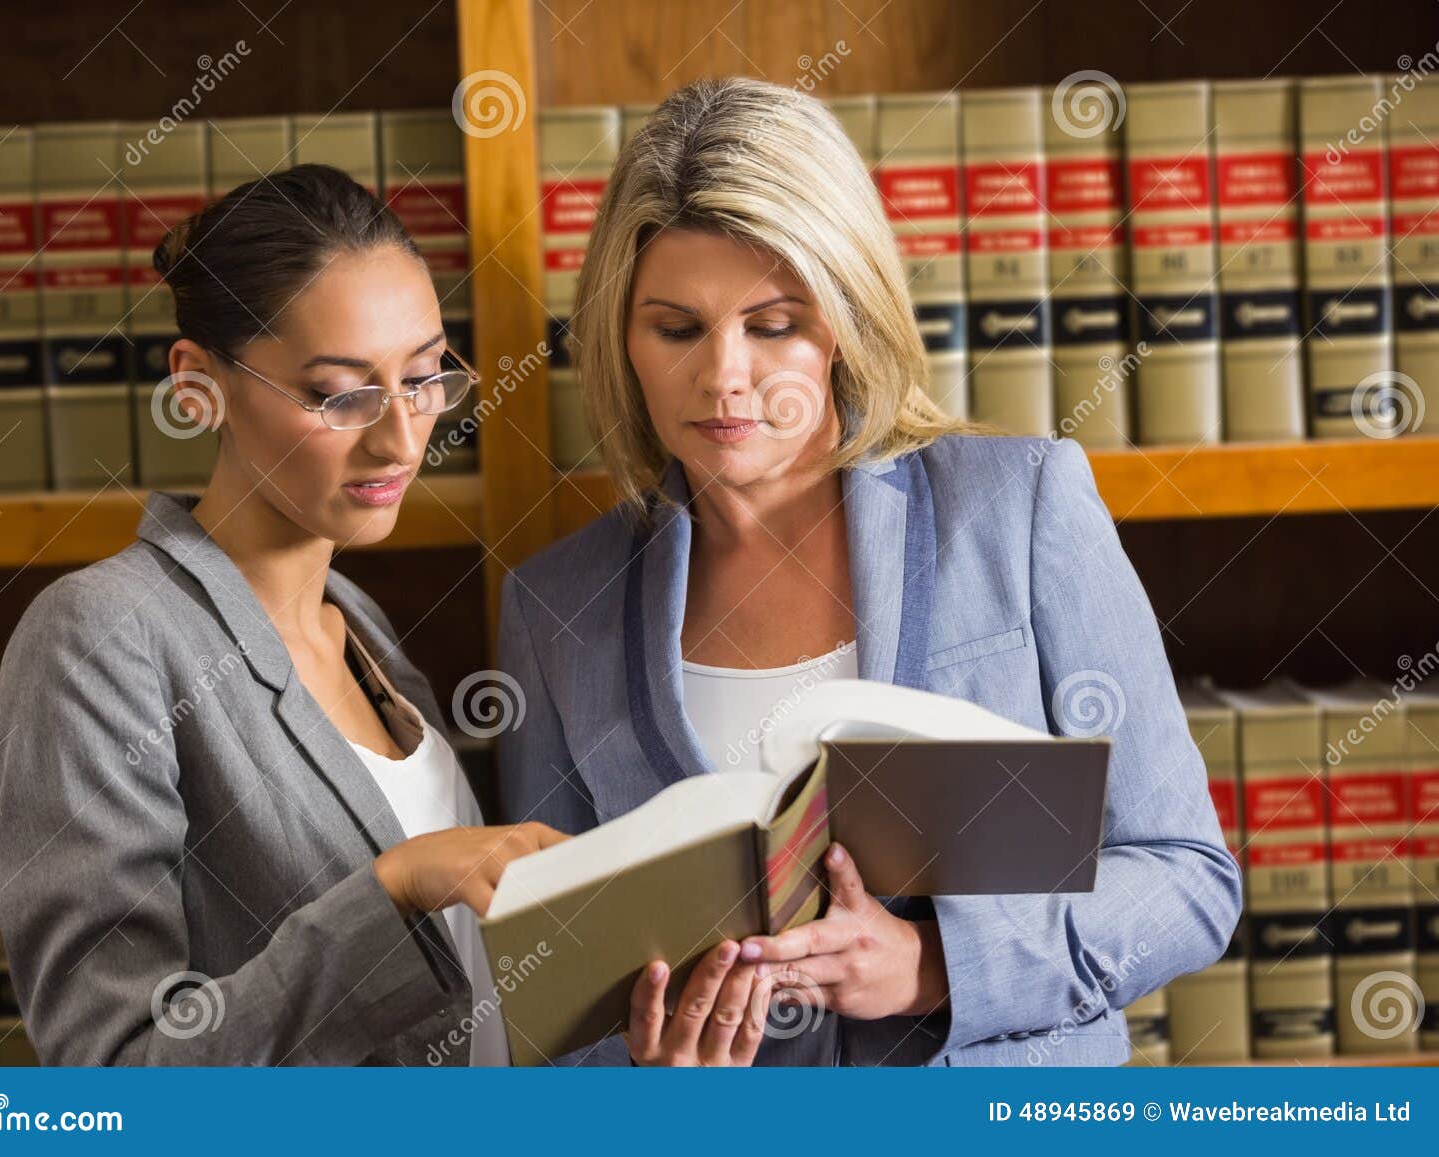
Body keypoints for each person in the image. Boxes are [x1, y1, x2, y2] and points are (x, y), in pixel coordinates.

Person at [495, 78, 1243, 1066]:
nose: (723, 377)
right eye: (676, 328)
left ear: (846, 316)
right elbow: (542, 991)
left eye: (773, 325)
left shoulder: (1017, 506)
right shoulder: (555, 606)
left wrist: (938, 965)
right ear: (619, 337)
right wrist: (644, 1074)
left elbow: (1187, 879)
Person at [0, 163, 767, 1066]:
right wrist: (397, 886)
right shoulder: (99, 637)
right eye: (342, 394)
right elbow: (114, 1077)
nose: (401, 437)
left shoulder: (357, 624)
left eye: (427, 377)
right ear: (200, 383)